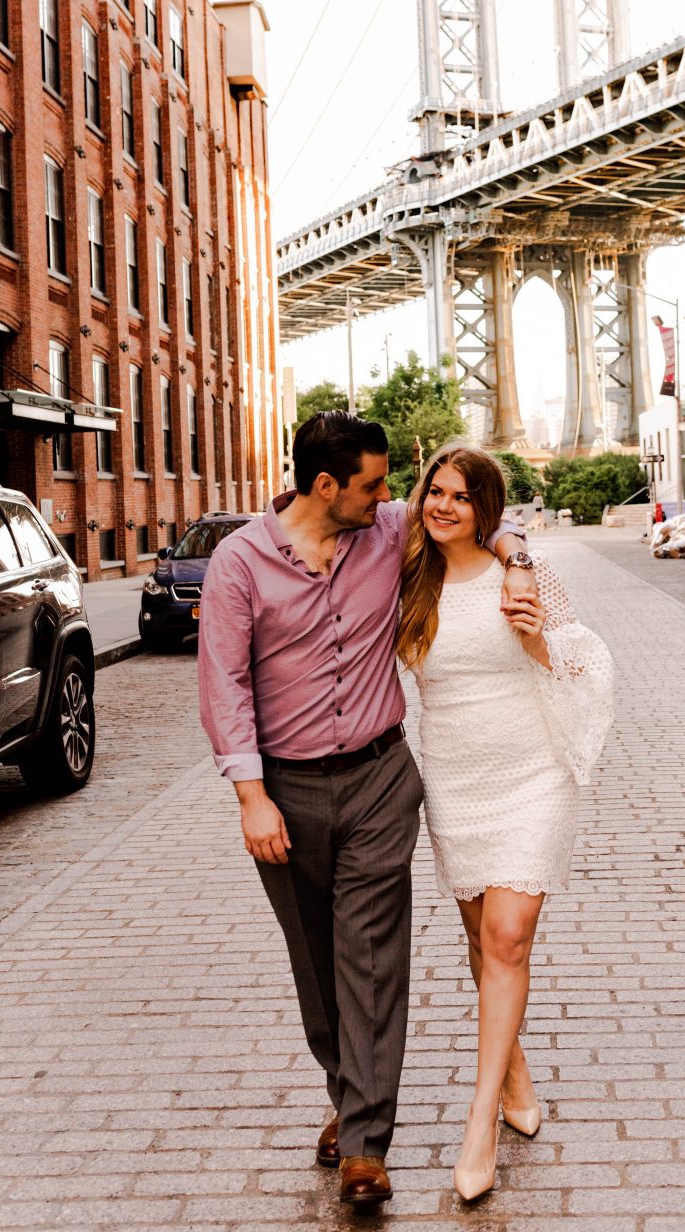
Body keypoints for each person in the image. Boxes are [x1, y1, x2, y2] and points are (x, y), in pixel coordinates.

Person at [197, 412, 533, 1209]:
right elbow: (224, 684)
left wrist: (517, 556)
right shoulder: (240, 561)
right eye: (376, 485)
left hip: (383, 777)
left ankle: (365, 1149)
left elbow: (481, 512)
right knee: (316, 963)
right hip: (285, 787)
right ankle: (348, 1097)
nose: (395, 500)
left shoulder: (385, 529)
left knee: (373, 961)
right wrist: (250, 796)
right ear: (326, 487)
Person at [397, 444, 613, 1203]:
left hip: (532, 774)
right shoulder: (409, 576)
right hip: (454, 779)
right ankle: (514, 1069)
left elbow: (584, 662)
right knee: (482, 937)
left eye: (462, 496)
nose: (444, 505)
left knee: (507, 937)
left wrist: (533, 635)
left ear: (487, 510)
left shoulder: (522, 573)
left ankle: (480, 1119)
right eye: (436, 491)